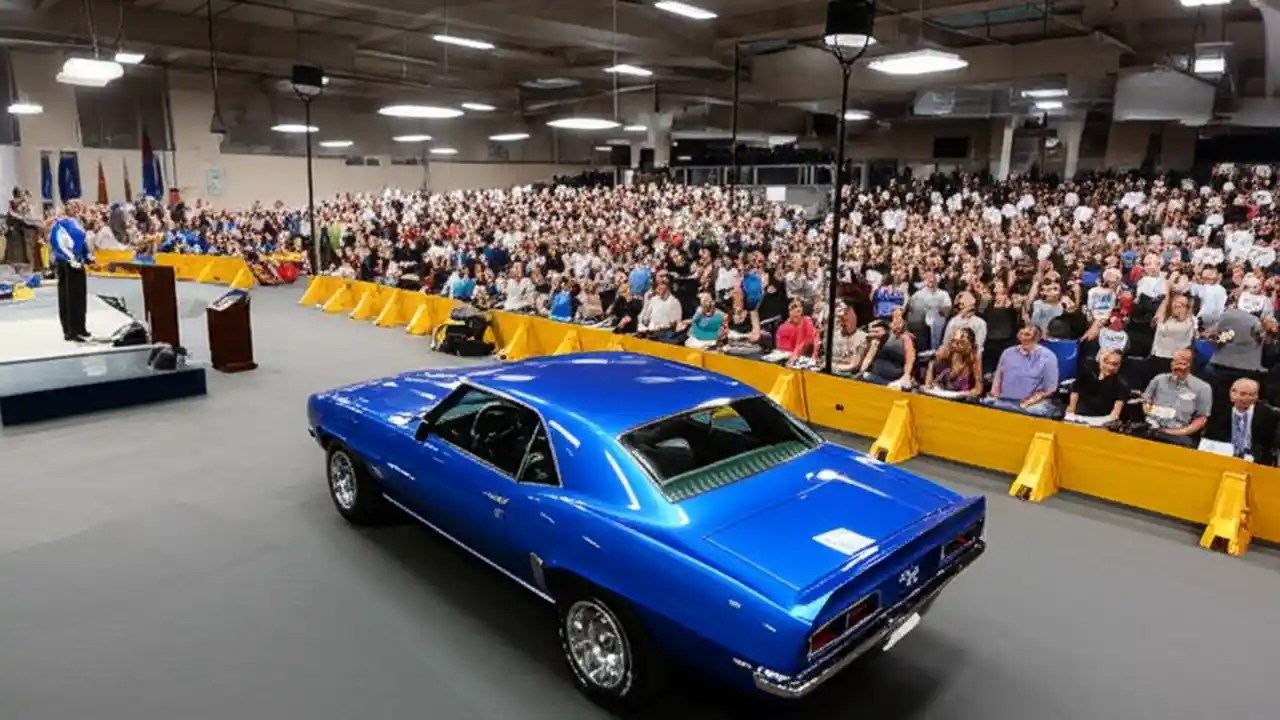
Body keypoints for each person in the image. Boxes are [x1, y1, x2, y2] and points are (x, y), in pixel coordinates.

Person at [984, 325, 1061, 417]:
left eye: (1027, 334)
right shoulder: (1007, 352)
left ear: (1037, 337)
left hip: (1032, 403)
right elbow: (998, 378)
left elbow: (1050, 389)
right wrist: (995, 396)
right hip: (1005, 399)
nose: (1023, 337)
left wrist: (1027, 403)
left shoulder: (1048, 357)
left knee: (1033, 411)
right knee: (988, 405)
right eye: (1021, 333)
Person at [1142, 347, 1212, 448]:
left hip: (1178, 434)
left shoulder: (1203, 388)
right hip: (1151, 428)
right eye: (1174, 361)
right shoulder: (1158, 379)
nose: (1177, 366)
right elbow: (1146, 401)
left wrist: (1181, 432)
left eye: (1182, 362)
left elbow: (1201, 418)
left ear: (1190, 364)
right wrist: (1150, 414)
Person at [1201, 378, 1279, 465]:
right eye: (1241, 393)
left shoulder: (1267, 415)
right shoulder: (1219, 411)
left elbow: (1270, 444)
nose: (1245, 398)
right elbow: (1211, 437)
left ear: (1256, 397)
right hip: (1223, 456)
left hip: (1255, 460)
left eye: (1249, 394)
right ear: (1231, 394)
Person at [50, 201, 93, 342]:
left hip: (72, 261)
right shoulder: (64, 224)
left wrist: (87, 257)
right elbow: (58, 244)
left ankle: (78, 327)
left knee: (74, 296)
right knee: (72, 296)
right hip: (69, 263)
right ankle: (72, 330)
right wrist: (72, 259)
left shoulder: (75, 224)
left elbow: (82, 243)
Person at [1066, 349, 1130, 422]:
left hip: (1102, 421)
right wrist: (1071, 415)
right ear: (1100, 361)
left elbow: (1115, 414)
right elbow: (1074, 396)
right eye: (1107, 363)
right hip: (1078, 418)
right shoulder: (1085, 376)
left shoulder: (1122, 386)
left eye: (1115, 364)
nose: (1110, 367)